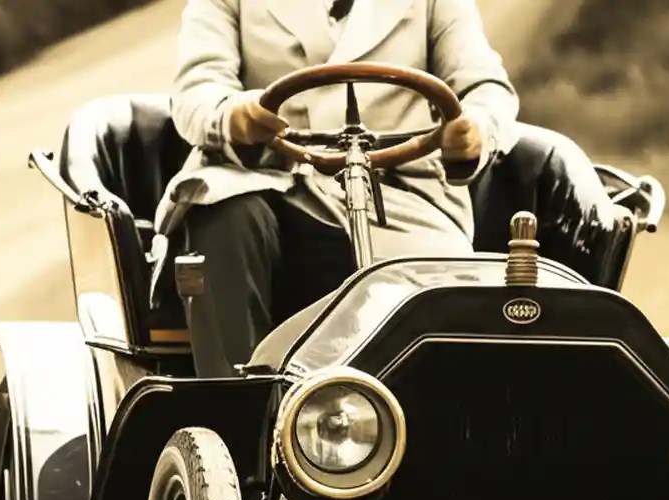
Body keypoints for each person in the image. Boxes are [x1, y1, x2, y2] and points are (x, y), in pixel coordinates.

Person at [162, 0, 520, 376]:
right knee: (221, 214)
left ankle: (429, 421)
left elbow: (486, 86)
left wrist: (476, 128)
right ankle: (235, 411)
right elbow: (195, 90)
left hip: (399, 191)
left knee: (448, 299)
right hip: (270, 179)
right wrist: (234, 115)